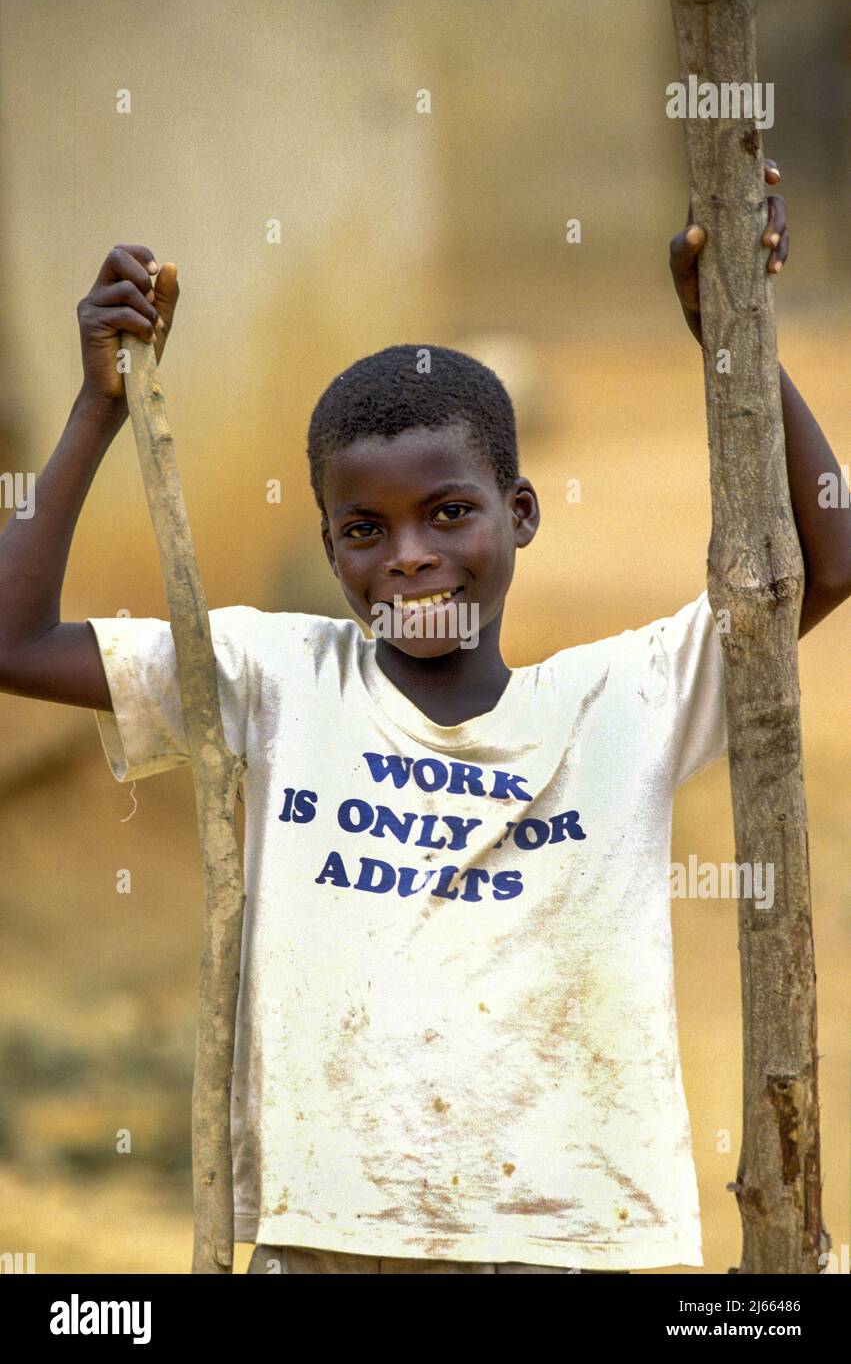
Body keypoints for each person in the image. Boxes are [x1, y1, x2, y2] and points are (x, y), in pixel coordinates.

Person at [0, 162, 848, 1276]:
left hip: (557, 1246)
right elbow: (13, 641)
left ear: (520, 512)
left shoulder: (620, 701)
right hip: (321, 1244)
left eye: (449, 512)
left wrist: (731, 336)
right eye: (364, 528)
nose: (408, 554)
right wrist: (98, 409)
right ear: (329, 547)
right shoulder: (276, 676)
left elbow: (821, 558)